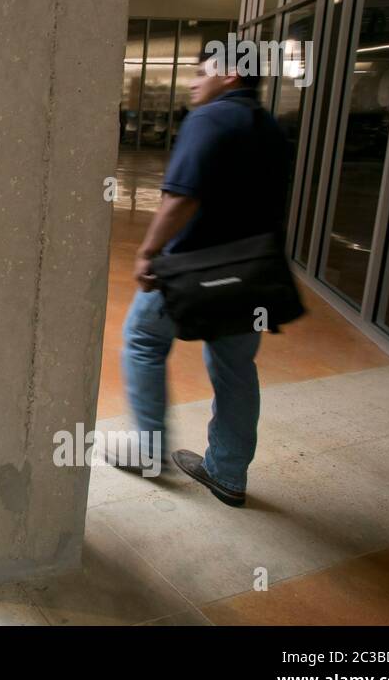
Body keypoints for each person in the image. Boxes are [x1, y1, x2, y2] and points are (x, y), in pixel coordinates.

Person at [115, 46, 289, 507]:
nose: (193, 81)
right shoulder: (270, 127)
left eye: (201, 72)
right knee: (235, 368)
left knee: (143, 341)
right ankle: (228, 472)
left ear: (231, 73)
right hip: (252, 272)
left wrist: (149, 251)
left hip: (195, 266)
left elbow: (180, 199)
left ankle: (150, 451)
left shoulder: (210, 119)